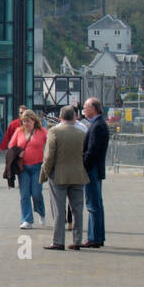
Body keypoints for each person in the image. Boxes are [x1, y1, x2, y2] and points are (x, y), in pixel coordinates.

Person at [39, 106, 89, 250]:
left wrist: (44, 174)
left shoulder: (54, 132)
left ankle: (58, 241)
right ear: (75, 117)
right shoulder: (82, 133)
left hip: (58, 175)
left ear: (60, 117)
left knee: (59, 209)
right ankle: (77, 240)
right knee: (77, 209)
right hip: (78, 174)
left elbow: (49, 156)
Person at [8, 111, 47, 227]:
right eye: (24, 121)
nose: (26, 123)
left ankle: (41, 212)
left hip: (37, 166)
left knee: (36, 193)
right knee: (24, 194)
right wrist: (18, 152)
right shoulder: (19, 131)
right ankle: (27, 219)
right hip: (23, 167)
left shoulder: (42, 132)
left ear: (34, 121)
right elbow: (11, 146)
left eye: (28, 121)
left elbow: (51, 143)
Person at [81, 97, 110, 249]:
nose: (83, 110)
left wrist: (83, 165)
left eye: (86, 107)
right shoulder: (98, 124)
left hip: (92, 169)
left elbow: (92, 151)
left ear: (94, 108)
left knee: (93, 204)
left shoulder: (97, 126)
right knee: (95, 204)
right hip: (95, 168)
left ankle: (95, 237)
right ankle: (96, 236)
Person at [0, 108, 26, 187]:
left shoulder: (32, 124)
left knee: (22, 166)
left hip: (26, 149)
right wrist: (2, 146)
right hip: (15, 149)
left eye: (24, 112)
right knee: (13, 165)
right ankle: (12, 182)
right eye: (21, 113)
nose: (22, 114)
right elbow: (7, 135)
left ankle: (22, 182)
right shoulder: (14, 123)